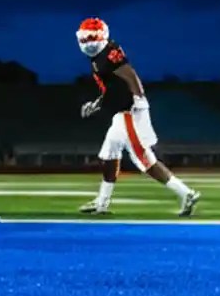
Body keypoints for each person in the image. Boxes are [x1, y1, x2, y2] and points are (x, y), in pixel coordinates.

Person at [75, 17, 201, 218]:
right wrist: (96, 104)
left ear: (102, 36)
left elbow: (130, 75)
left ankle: (186, 193)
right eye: (84, 38)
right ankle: (102, 202)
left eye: (92, 37)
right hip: (121, 113)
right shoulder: (98, 58)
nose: (88, 42)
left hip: (129, 111)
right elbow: (112, 88)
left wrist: (138, 98)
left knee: (143, 159)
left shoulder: (109, 53)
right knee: (108, 154)